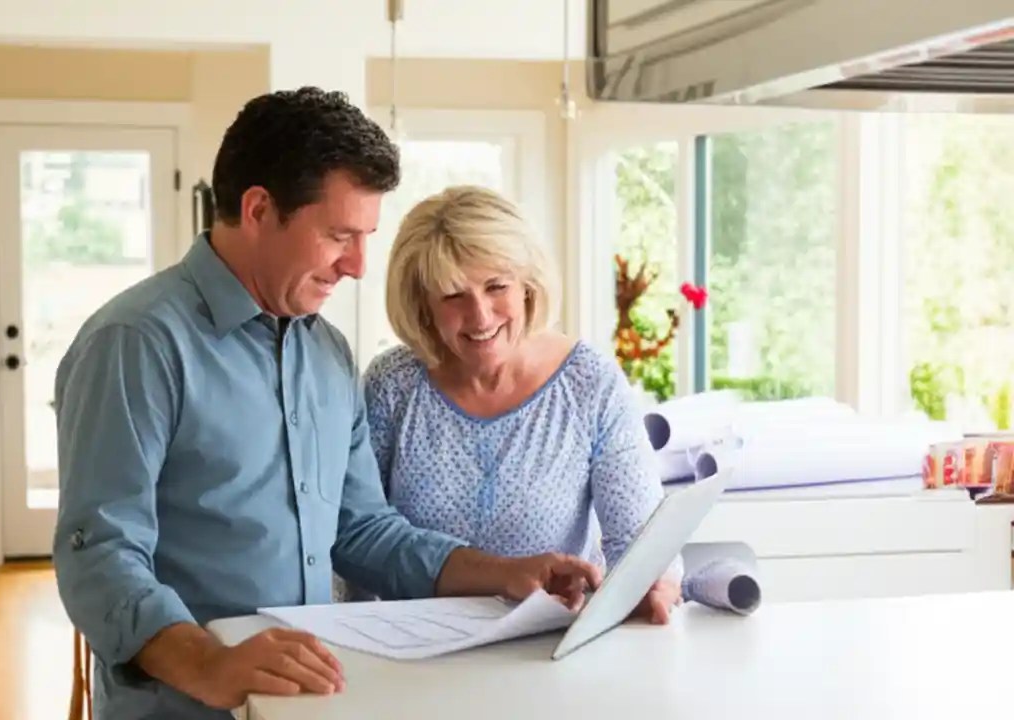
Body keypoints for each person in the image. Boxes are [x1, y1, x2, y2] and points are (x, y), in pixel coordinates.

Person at [51, 88, 602, 720]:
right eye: (340, 235)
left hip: (307, 704)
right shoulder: (137, 343)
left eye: (366, 237)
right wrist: (208, 663)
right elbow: (99, 552)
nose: (359, 266)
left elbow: (363, 530)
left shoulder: (327, 353)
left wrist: (503, 574)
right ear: (259, 210)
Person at [363, 185, 682, 624]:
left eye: (496, 286)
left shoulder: (589, 384)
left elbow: (640, 539)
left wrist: (654, 582)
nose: (480, 316)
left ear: (528, 287)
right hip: (412, 643)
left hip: (548, 643)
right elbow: (358, 540)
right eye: (454, 296)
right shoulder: (391, 385)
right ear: (423, 304)